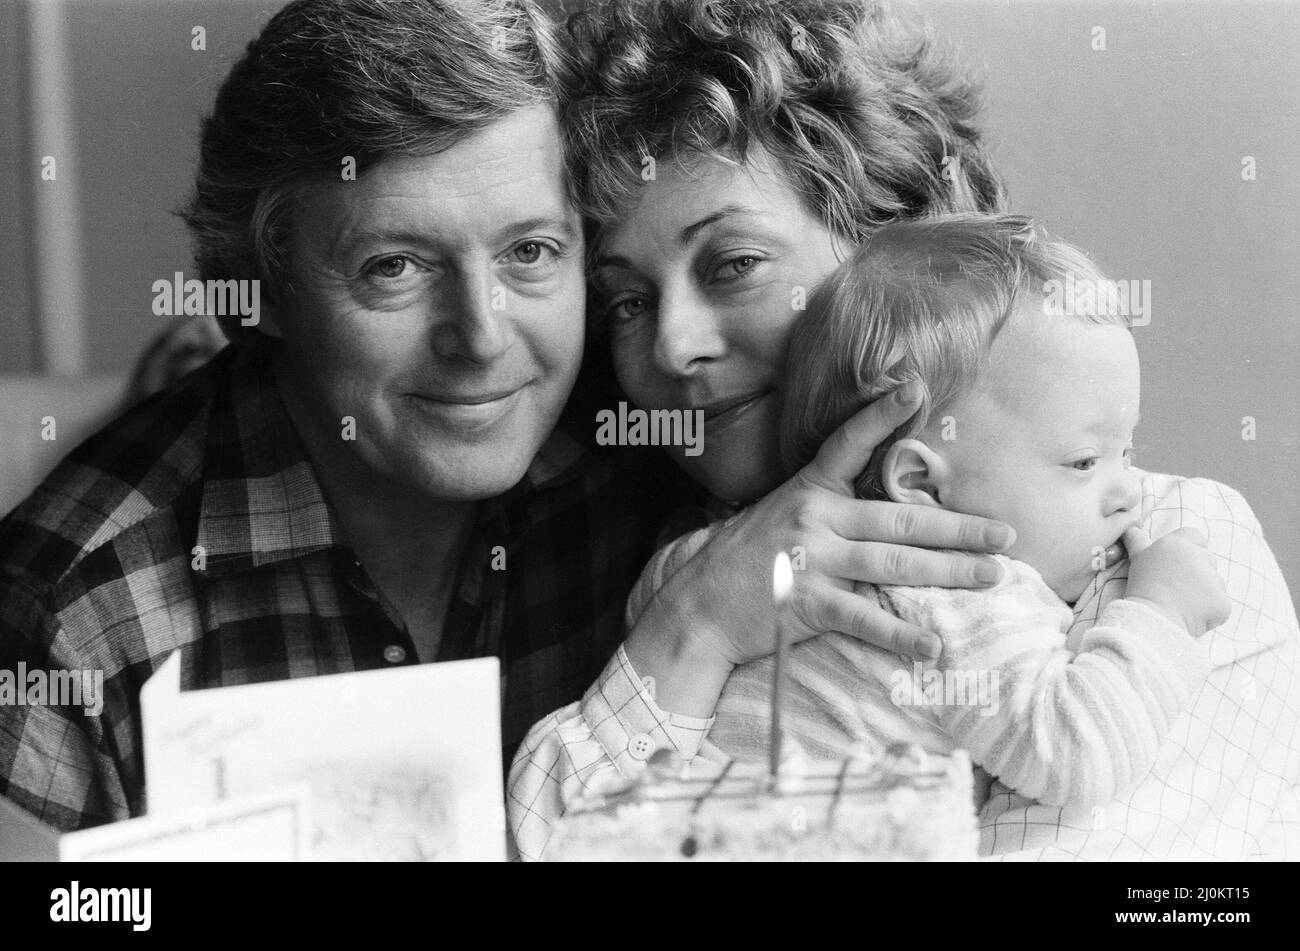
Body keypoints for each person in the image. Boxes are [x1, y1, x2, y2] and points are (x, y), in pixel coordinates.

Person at [0, 0, 688, 831]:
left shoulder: (648, 457)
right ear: (262, 288)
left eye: (529, 252)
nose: (480, 334)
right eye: (393, 266)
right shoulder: (74, 616)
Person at [509, 0, 1017, 859]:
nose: (671, 345)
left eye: (734, 264)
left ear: (899, 244)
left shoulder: (1119, 531)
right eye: (628, 300)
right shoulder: (640, 560)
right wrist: (700, 618)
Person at [636, 216, 1288, 832]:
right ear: (920, 485)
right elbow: (1072, 752)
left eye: (1129, 453)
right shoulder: (959, 593)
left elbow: (656, 601)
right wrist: (1162, 610)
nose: (1126, 494)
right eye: (1084, 460)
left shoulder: (713, 560)